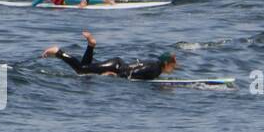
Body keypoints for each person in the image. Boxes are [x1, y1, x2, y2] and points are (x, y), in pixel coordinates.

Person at [42, 31, 177, 80]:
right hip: (115, 68)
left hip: (117, 64)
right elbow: (135, 72)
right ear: (166, 64)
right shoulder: (155, 69)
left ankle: (91, 45)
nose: (174, 68)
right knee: (81, 70)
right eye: (173, 65)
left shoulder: (155, 66)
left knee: (85, 70)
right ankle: (58, 52)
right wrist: (115, 75)